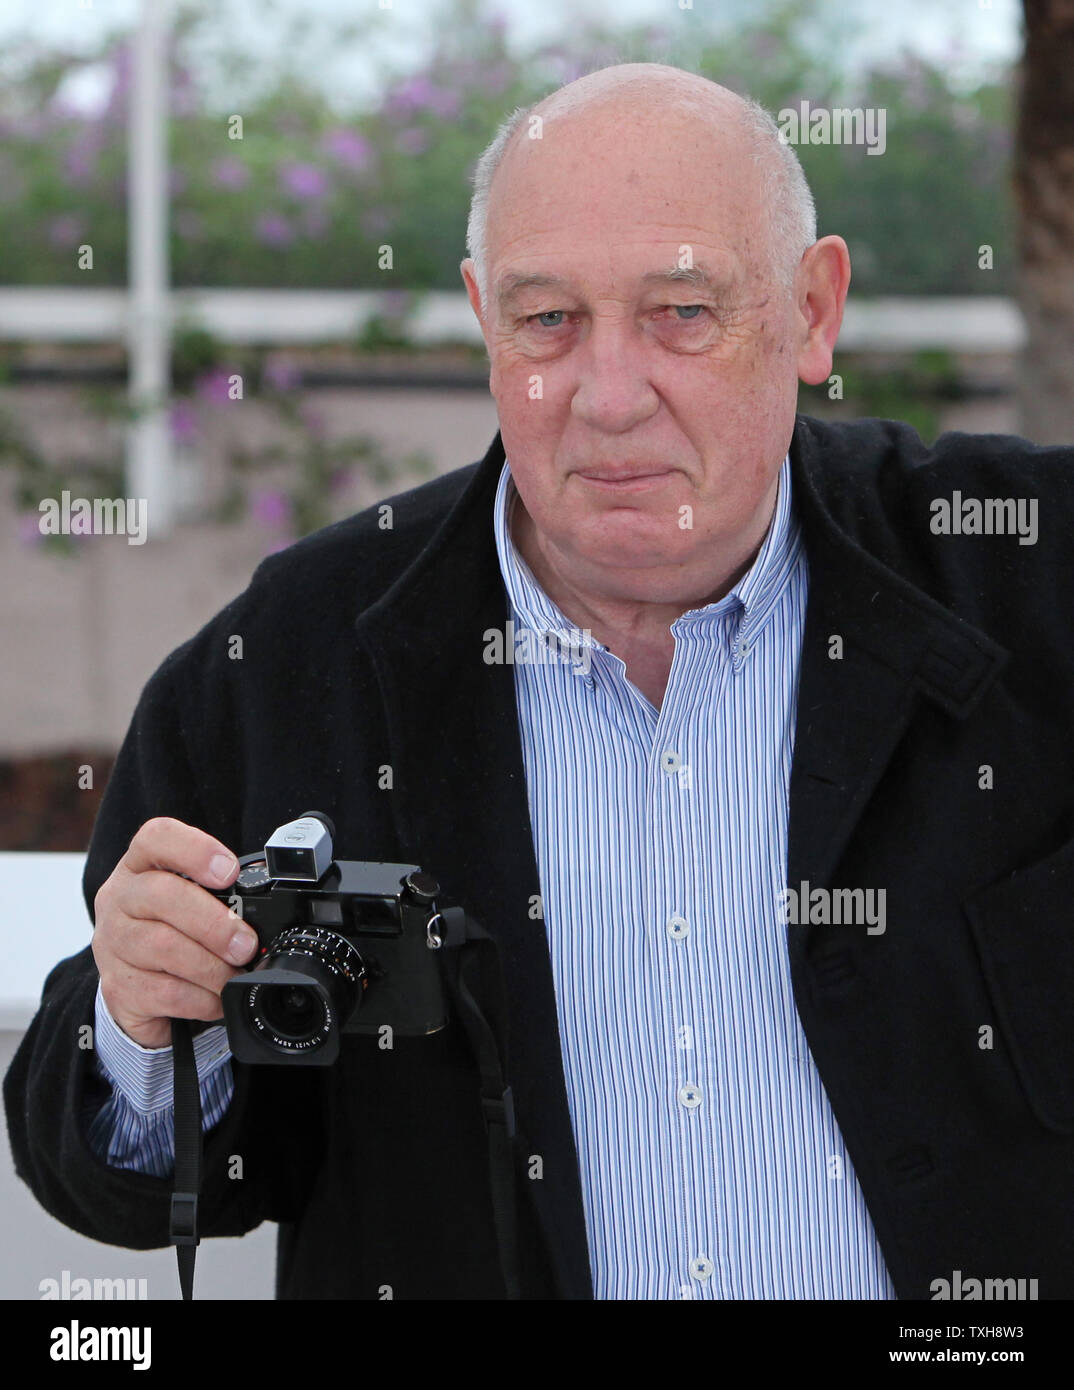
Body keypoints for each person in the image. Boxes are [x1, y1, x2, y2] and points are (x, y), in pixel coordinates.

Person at [6, 62, 1074, 1301]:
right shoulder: (291, 661)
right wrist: (144, 1026)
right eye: (549, 319)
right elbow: (116, 1168)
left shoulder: (1030, 576)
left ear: (812, 309)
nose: (609, 398)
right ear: (482, 318)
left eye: (682, 310)